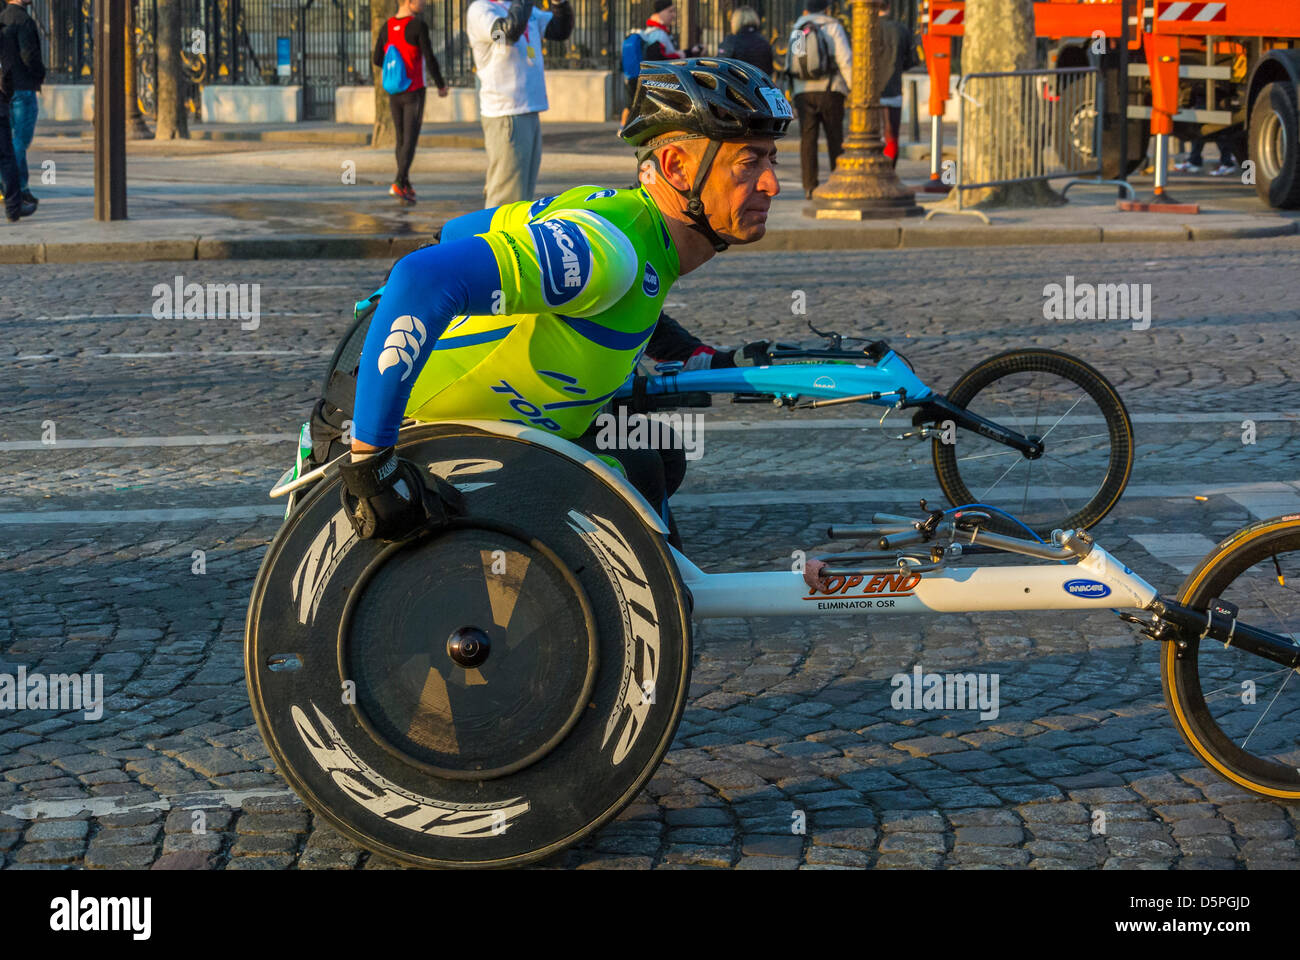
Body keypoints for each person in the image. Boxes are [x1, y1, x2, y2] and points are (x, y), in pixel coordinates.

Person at [337, 58, 790, 547]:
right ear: (676, 166)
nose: (772, 184)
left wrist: (700, 356)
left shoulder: (626, 221)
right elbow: (421, 278)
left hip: (392, 377)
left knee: (655, 450)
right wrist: (371, 467)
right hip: (373, 417)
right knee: (636, 473)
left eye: (771, 160)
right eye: (749, 163)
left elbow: (455, 234)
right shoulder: (607, 252)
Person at [467, 0, 575, 208]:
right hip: (505, 112)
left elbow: (559, 30)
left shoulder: (526, 10)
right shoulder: (481, 10)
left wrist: (559, 4)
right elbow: (506, 33)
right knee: (505, 196)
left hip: (528, 108)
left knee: (522, 197)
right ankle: (495, 238)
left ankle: (512, 237)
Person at [372, 0, 449, 205]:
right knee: (410, 139)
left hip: (394, 90)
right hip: (414, 90)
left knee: (400, 138)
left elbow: (377, 58)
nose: (424, 3)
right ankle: (398, 181)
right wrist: (441, 84)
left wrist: (396, 64)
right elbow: (430, 58)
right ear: (407, 1)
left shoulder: (386, 27)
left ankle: (404, 184)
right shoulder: (417, 26)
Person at [786, 0, 852, 199]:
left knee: (808, 139)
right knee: (835, 137)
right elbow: (845, 59)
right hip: (831, 89)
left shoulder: (798, 29)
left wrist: (793, 91)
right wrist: (853, 88)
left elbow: (794, 64)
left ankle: (810, 186)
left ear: (806, 9)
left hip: (803, 92)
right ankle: (837, 181)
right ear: (827, 9)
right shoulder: (833, 27)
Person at [0, 0, 36, 221]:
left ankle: (15, 203)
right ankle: (15, 202)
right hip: (10, 95)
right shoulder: (17, 23)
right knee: (9, 151)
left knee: (7, 152)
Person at [871, 0, 913, 167]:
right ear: (889, 6)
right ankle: (890, 167)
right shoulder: (901, 30)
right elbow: (910, 61)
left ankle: (875, 167)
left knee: (872, 135)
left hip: (871, 90)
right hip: (894, 88)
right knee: (891, 133)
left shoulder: (868, 29)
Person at [718, 6, 773, 76]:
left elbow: (719, 66)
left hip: (737, 85)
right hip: (760, 84)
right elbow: (769, 69)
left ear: (735, 21)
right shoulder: (764, 42)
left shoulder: (731, 41)